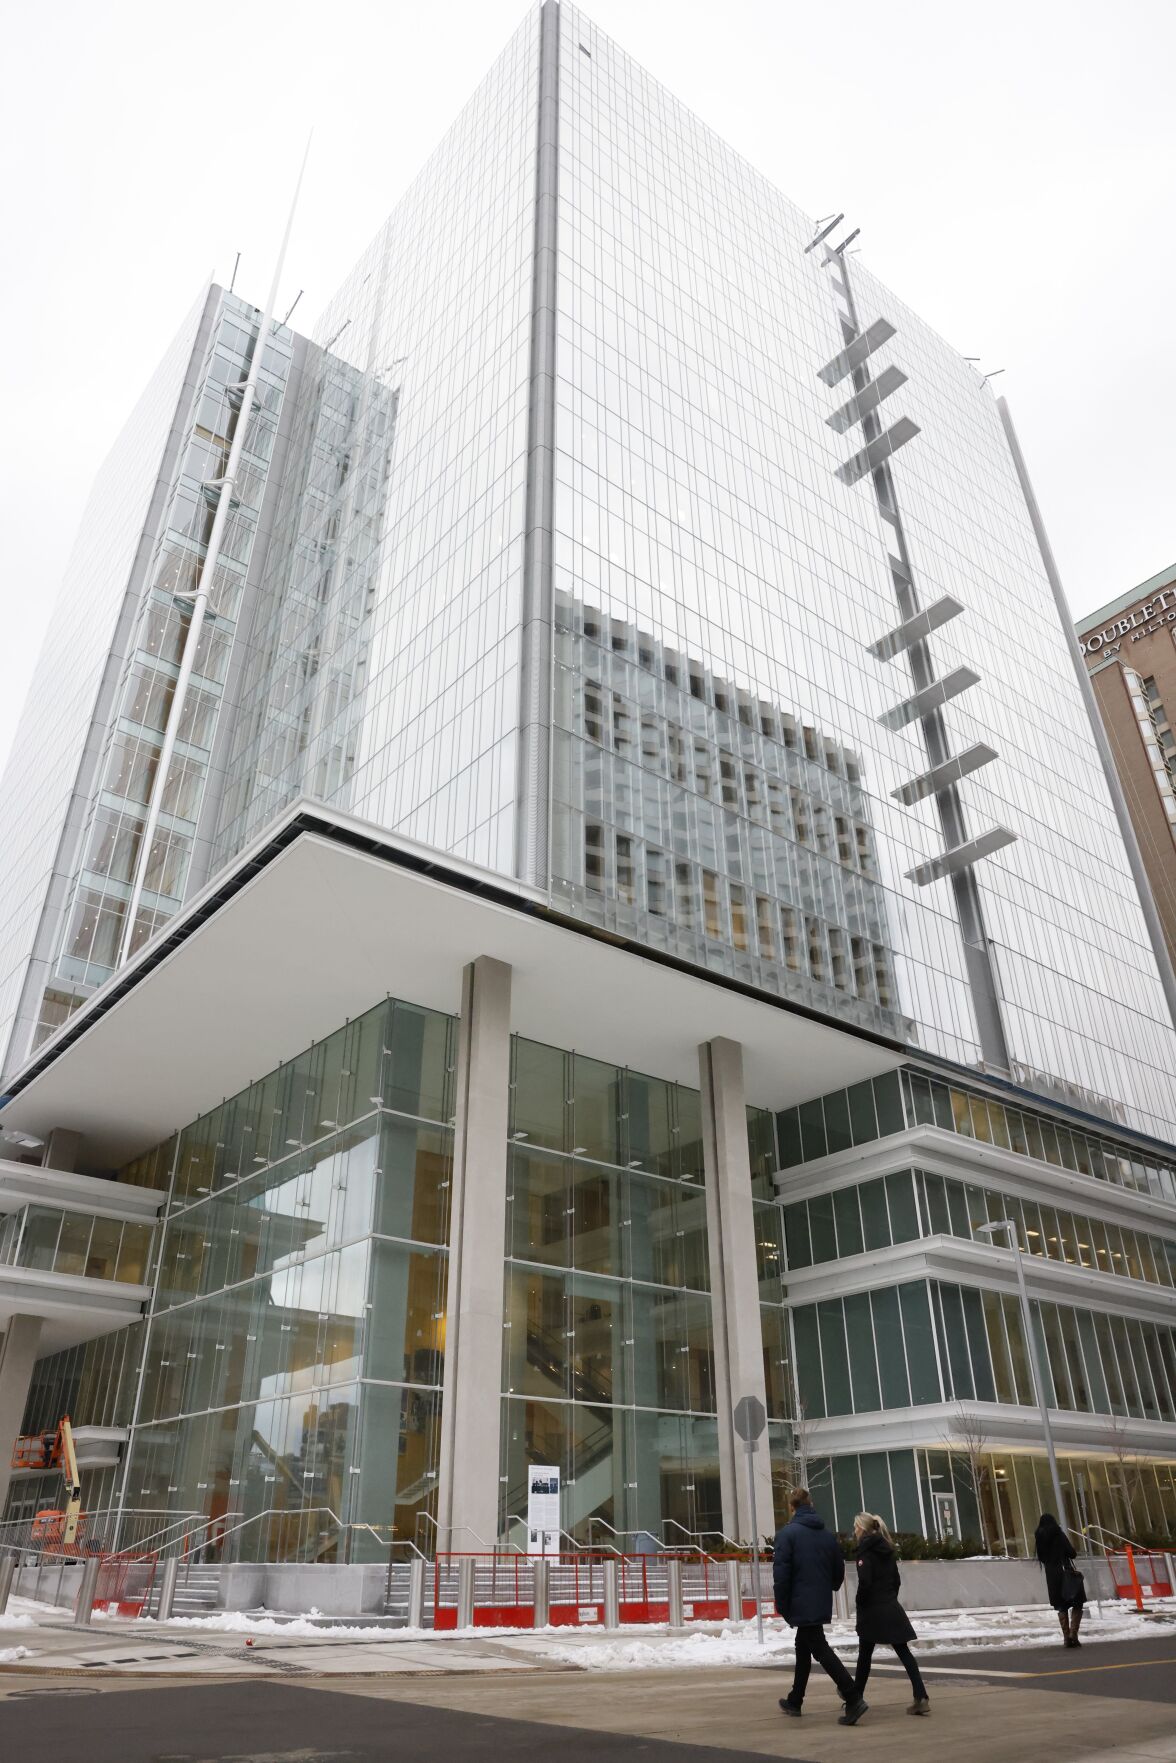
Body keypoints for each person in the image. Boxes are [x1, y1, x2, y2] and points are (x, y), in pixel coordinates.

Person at [774, 1488, 868, 1726]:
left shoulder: (787, 1534)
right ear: (811, 1504)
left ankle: (853, 1696)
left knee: (818, 1647)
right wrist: (828, 1588)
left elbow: (781, 1574)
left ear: (792, 1507)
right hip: (819, 1599)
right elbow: (838, 1571)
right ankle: (795, 1699)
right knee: (803, 1645)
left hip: (799, 1601)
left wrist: (782, 1604)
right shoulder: (827, 1535)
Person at [850, 1513, 929, 1715]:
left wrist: (860, 1601)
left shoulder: (865, 1552)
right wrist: (889, 1597)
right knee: (903, 1651)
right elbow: (896, 1580)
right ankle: (920, 1695)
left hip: (872, 1609)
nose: (854, 1531)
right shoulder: (887, 1549)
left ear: (863, 1529)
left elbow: (865, 1582)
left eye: (856, 1527)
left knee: (865, 1655)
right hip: (890, 1606)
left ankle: (855, 1698)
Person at [1034, 1512, 1085, 1647]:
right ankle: (1073, 1634)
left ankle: (1066, 1638)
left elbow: (1042, 1558)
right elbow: (1072, 1553)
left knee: (1061, 1606)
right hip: (1066, 1573)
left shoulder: (1039, 1537)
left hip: (1052, 1576)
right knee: (1077, 1602)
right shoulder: (1058, 1533)